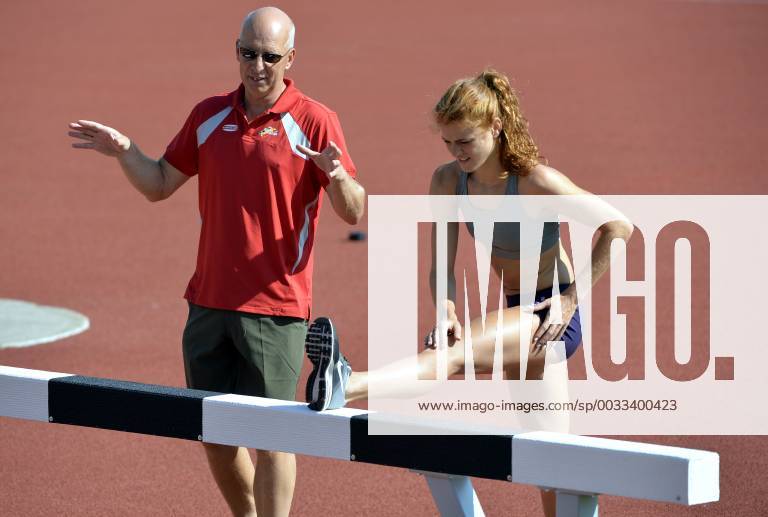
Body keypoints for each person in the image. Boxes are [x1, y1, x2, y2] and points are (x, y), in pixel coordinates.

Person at [68, 7, 365, 517]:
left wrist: (336, 176)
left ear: (290, 58)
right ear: (237, 51)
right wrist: (124, 151)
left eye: (270, 56)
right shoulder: (209, 115)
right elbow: (160, 183)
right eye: (248, 54)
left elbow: (353, 210)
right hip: (207, 301)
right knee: (214, 431)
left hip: (276, 306)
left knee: (273, 438)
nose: (258, 66)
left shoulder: (314, 120)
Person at [303, 68, 631, 516]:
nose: (457, 153)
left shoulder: (535, 181)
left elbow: (618, 227)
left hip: (551, 316)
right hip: (518, 312)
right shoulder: (447, 182)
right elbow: (441, 263)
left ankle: (348, 382)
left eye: (466, 141)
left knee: (453, 358)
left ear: (495, 128)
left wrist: (572, 298)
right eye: (448, 143)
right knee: (551, 463)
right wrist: (445, 309)